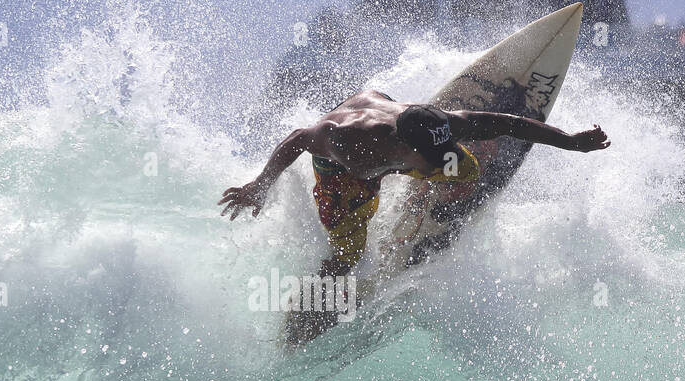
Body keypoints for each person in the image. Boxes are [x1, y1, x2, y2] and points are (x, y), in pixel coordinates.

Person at [220, 90, 609, 278]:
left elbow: (506, 123)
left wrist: (569, 141)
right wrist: (260, 184)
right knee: (349, 253)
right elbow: (299, 137)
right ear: (405, 150)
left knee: (466, 168)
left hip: (397, 135)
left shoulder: (441, 124)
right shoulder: (349, 143)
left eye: (443, 152)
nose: (445, 159)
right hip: (342, 175)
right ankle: (320, 295)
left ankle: (429, 199)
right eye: (433, 159)